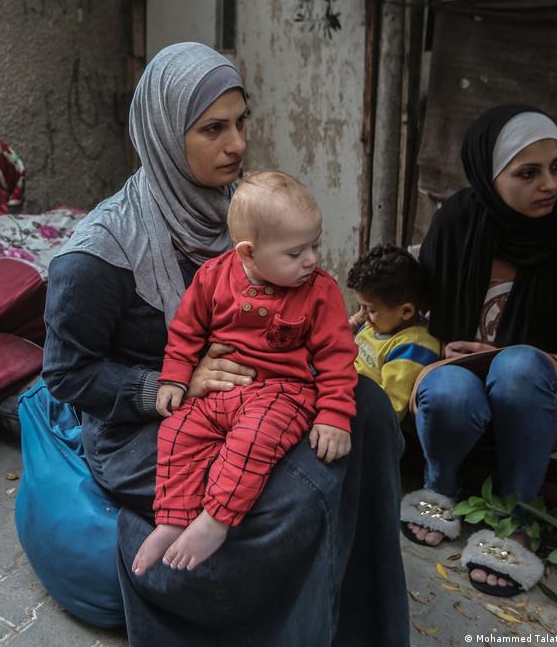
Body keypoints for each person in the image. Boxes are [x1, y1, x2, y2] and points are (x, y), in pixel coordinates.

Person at [42, 42, 409, 646]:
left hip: (255, 397)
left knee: (365, 407)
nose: (236, 145)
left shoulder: (235, 212)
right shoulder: (98, 255)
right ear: (163, 134)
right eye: (213, 129)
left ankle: (363, 623)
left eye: (241, 122)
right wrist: (172, 381)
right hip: (141, 425)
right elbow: (67, 374)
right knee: (287, 494)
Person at [400, 104, 557, 597]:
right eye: (528, 173)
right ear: (488, 175)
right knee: (445, 386)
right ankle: (440, 486)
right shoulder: (456, 224)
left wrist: (538, 356)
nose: (549, 184)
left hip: (551, 389)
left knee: (519, 365)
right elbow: (411, 311)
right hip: (465, 375)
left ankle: (515, 519)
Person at [131, 171, 357, 575]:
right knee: (176, 432)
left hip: (282, 393)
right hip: (219, 391)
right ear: (248, 254)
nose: (312, 260)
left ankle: (216, 520)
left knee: (252, 442)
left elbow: (337, 356)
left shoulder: (319, 291)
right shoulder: (213, 277)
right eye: (295, 253)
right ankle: (172, 517)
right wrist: (175, 376)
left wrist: (334, 415)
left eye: (315, 246)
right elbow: (186, 330)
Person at [345, 245, 441, 422]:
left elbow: (388, 411)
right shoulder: (381, 322)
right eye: (361, 307)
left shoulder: (412, 346)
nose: (363, 314)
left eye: (370, 309)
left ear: (406, 311)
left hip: (359, 417)